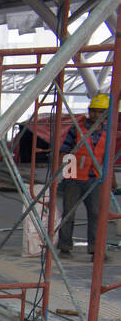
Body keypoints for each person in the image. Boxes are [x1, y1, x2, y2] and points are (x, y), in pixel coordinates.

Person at [58, 93, 114, 262]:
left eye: (100, 112)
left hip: (95, 180)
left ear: (105, 114)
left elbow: (107, 159)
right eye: (94, 111)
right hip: (74, 179)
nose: (96, 115)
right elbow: (64, 151)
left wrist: (112, 182)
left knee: (96, 214)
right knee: (69, 213)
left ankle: (95, 250)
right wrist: (67, 173)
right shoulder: (77, 128)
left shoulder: (107, 132)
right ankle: (64, 247)